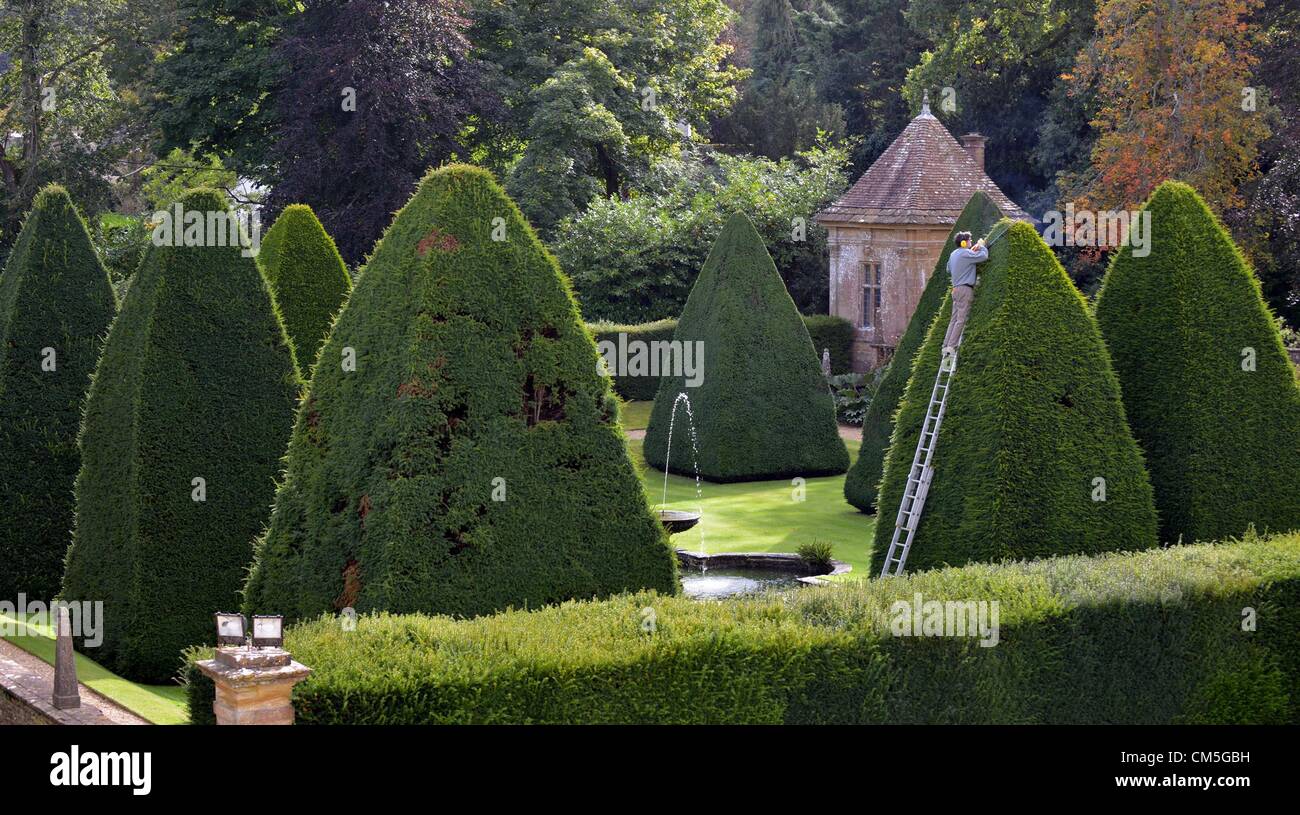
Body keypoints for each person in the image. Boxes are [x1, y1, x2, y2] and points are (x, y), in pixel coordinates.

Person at [942, 231, 987, 358]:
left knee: (954, 319)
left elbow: (948, 269)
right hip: (965, 289)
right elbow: (983, 257)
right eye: (970, 241)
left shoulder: (953, 254)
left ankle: (945, 345)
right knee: (961, 319)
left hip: (955, 290)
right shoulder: (965, 253)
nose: (971, 243)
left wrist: (970, 252)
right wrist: (981, 246)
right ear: (964, 242)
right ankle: (951, 347)